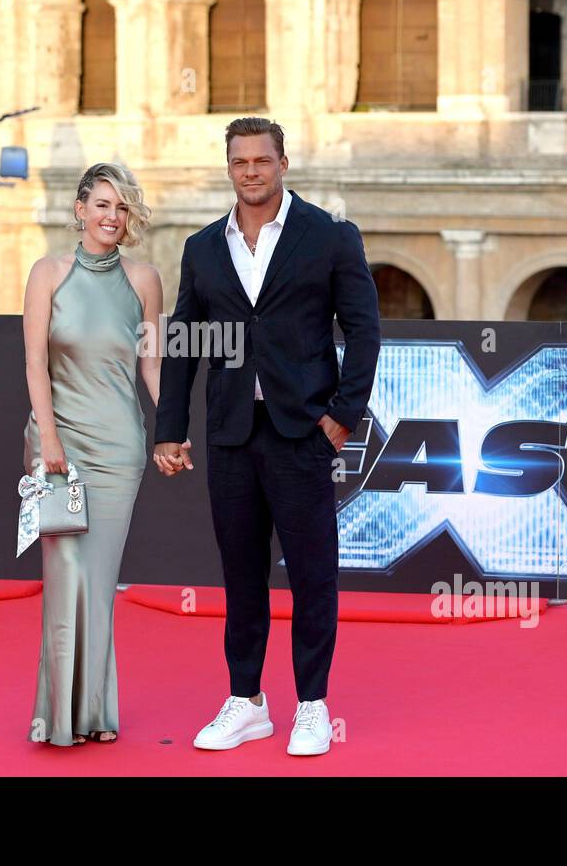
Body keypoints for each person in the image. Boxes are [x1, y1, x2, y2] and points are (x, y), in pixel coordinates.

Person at [153, 117, 381, 756]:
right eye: (239, 162)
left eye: (261, 160)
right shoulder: (202, 247)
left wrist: (341, 416)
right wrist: (170, 428)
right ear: (228, 168)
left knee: (313, 576)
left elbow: (364, 332)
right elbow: (184, 344)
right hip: (230, 437)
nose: (250, 171)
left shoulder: (330, 237)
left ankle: (312, 705)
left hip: (301, 434)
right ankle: (246, 700)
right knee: (241, 575)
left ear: (283, 163)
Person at [22, 162, 163, 746]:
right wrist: (49, 438)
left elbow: (150, 364)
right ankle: (59, 717)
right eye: (101, 204)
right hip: (58, 441)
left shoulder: (145, 280)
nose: (111, 216)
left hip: (118, 447)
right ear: (80, 209)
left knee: (99, 581)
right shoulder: (47, 273)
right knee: (66, 574)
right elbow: (34, 363)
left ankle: (95, 713)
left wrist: (170, 430)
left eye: (121, 207)